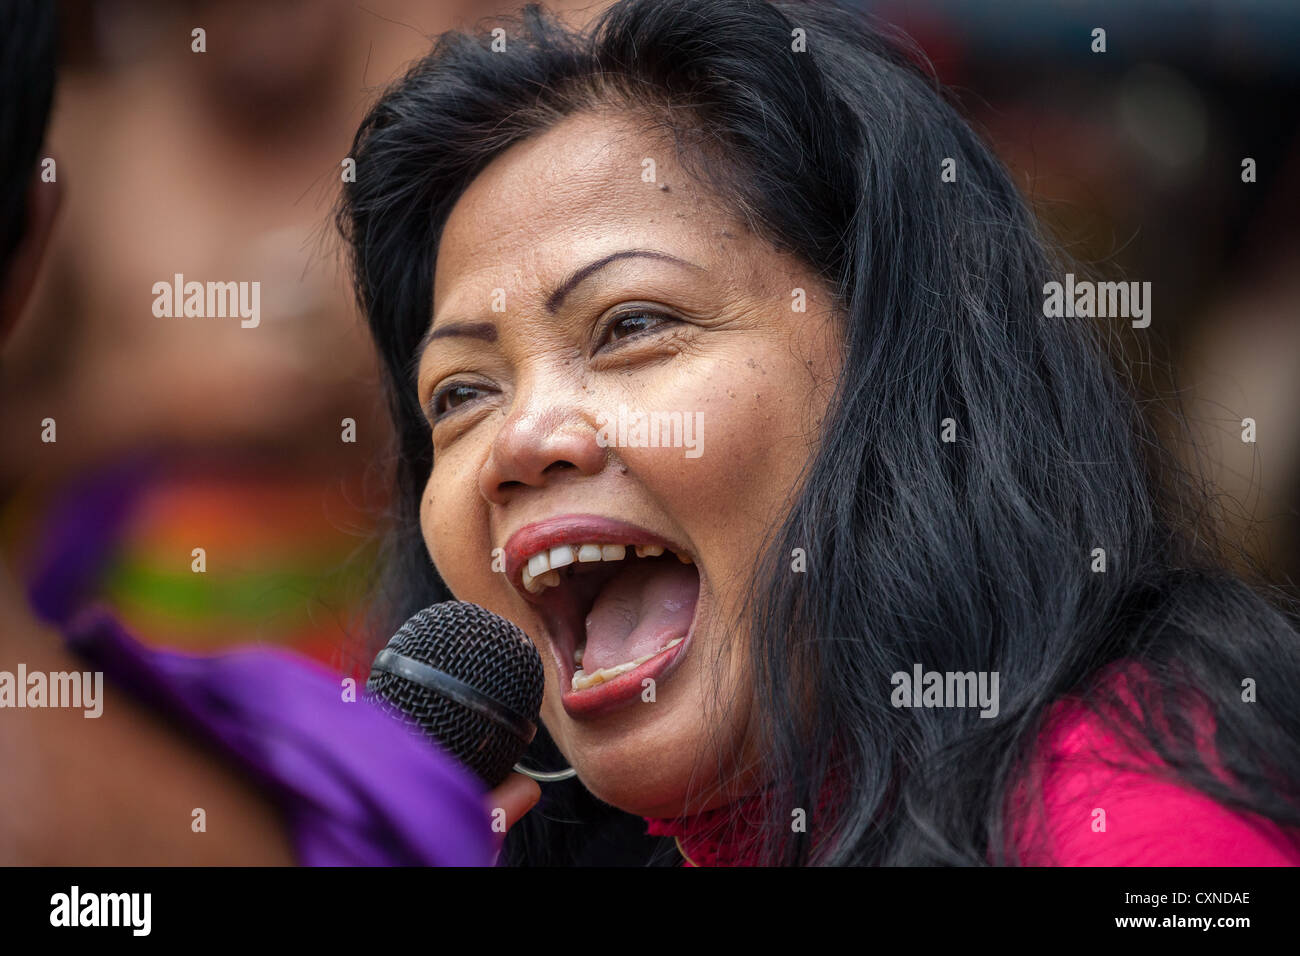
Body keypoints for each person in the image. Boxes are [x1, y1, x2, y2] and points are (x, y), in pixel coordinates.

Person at [338, 0, 1300, 865]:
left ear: (898, 368)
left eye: (632, 325)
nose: (517, 440)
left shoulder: (1139, 840)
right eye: (460, 394)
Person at [0, 0, 534, 867]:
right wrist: (158, 408)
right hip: (137, 645)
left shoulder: (447, 73)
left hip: (396, 640)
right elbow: (15, 436)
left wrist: (378, 391)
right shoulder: (95, 140)